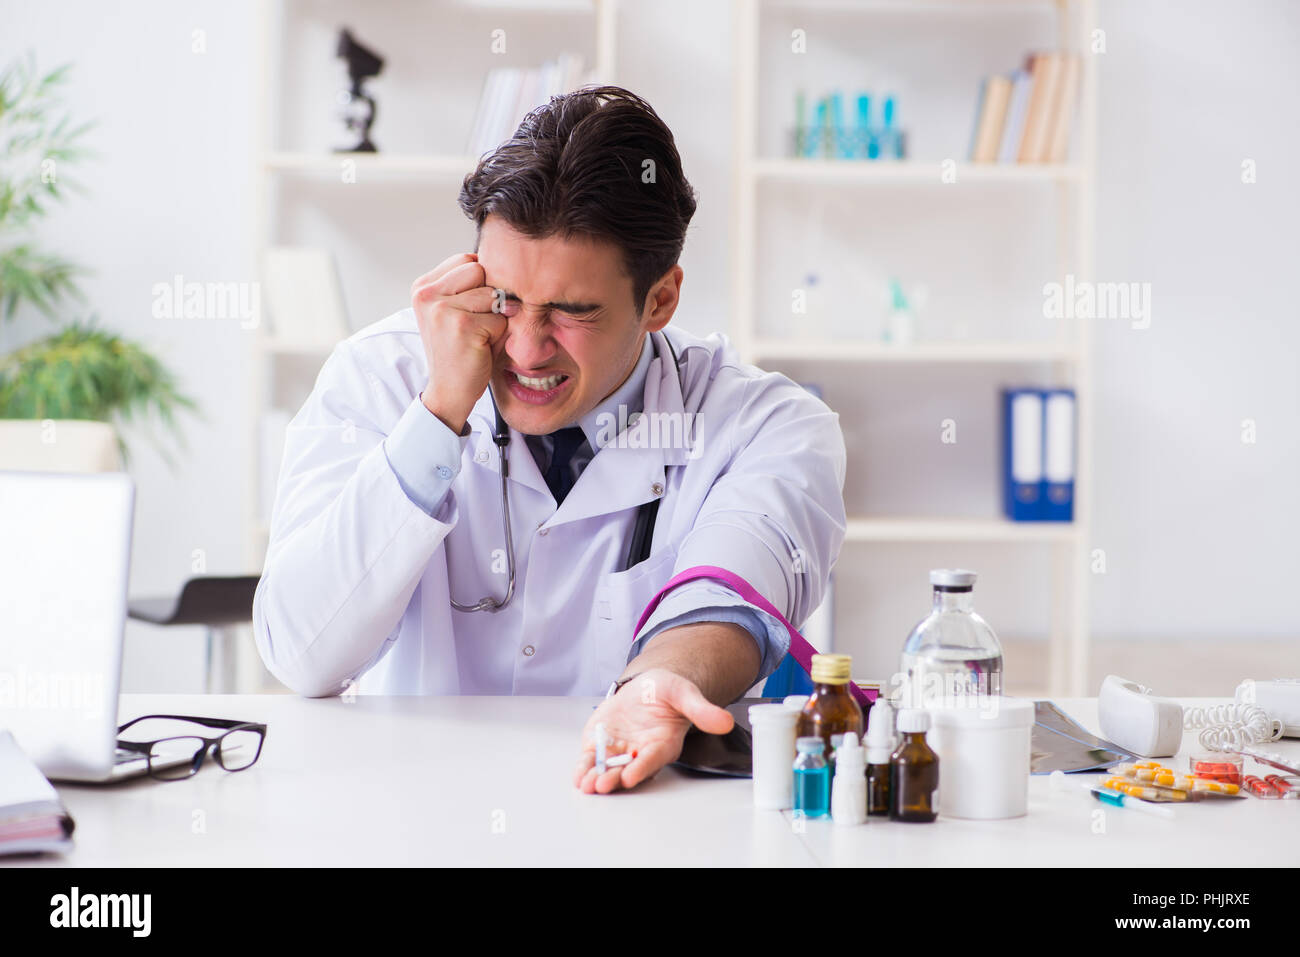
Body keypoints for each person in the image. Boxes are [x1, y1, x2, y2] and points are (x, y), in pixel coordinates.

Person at [252, 86, 846, 794]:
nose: (527, 350)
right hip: (415, 811)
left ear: (660, 298)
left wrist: (659, 683)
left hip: (637, 820)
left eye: (572, 311)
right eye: (504, 299)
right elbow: (301, 653)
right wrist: (437, 415)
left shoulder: (765, 425)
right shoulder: (379, 379)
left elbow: (728, 593)